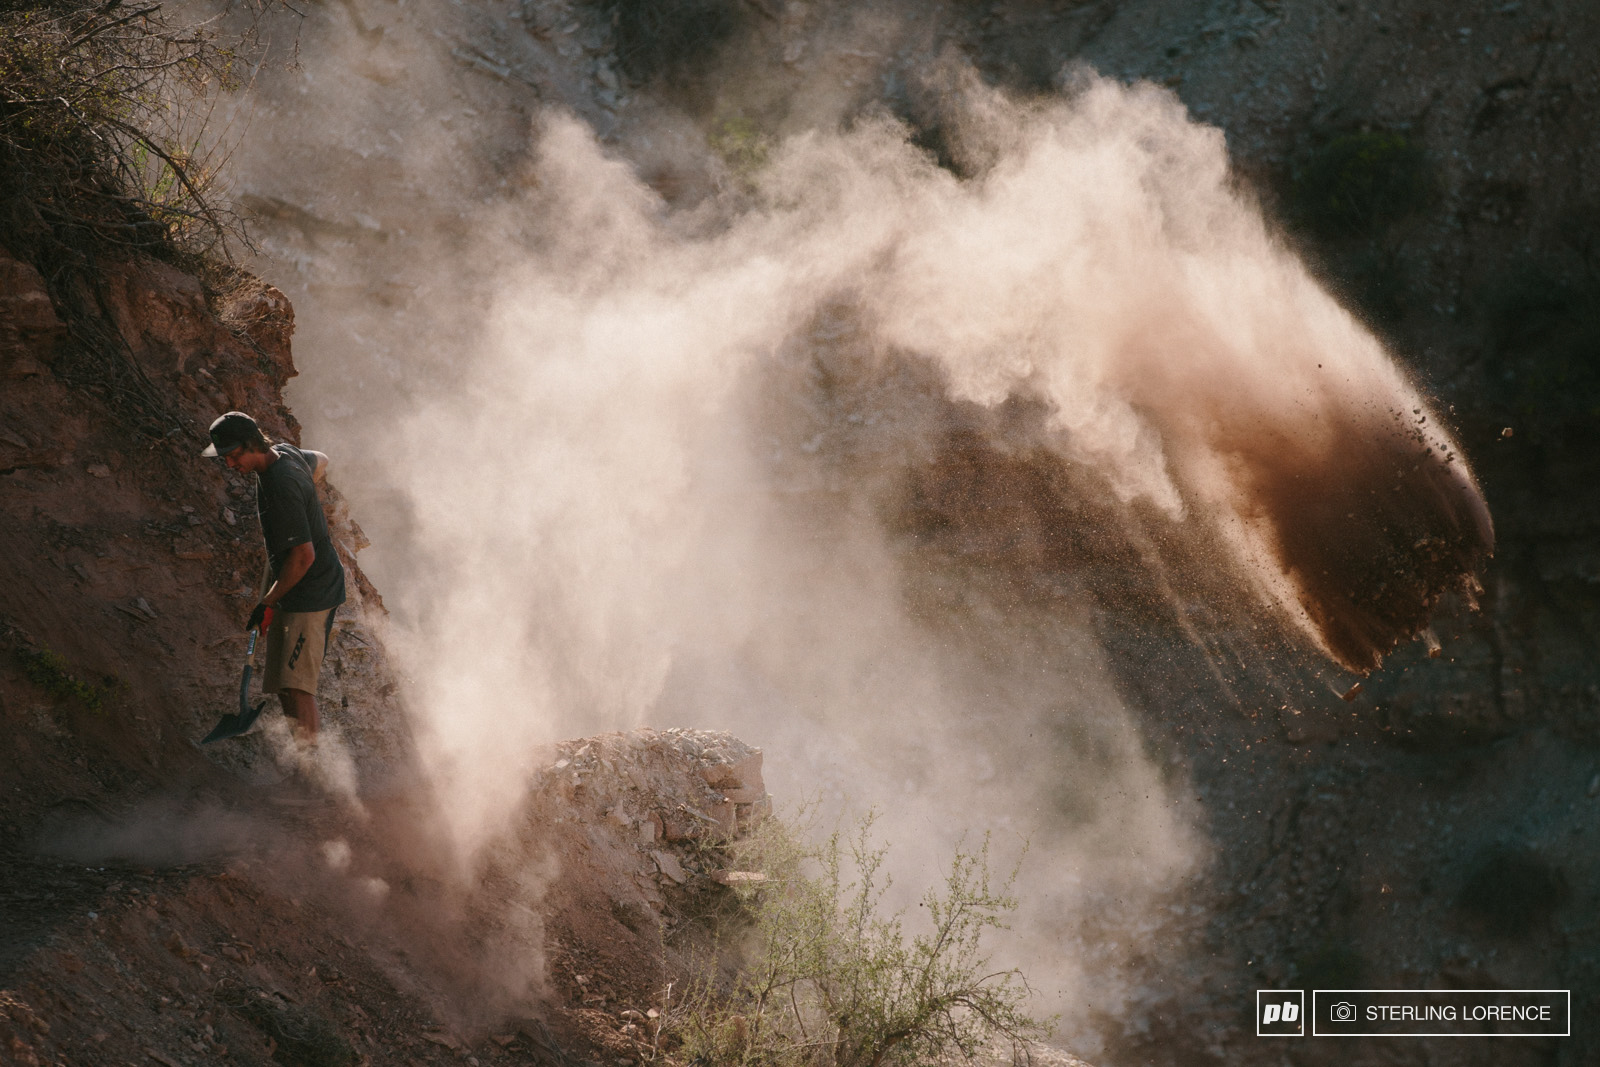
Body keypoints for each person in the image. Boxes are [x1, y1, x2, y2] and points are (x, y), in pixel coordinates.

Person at [201, 411, 346, 743]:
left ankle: (313, 786)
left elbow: (304, 556)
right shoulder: (285, 453)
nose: (229, 464)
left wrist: (267, 603)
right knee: (284, 682)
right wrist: (310, 495)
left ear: (253, 444)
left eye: (234, 455)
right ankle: (304, 771)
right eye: (223, 457)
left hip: (313, 591)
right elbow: (320, 460)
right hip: (292, 585)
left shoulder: (282, 485)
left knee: (297, 686)